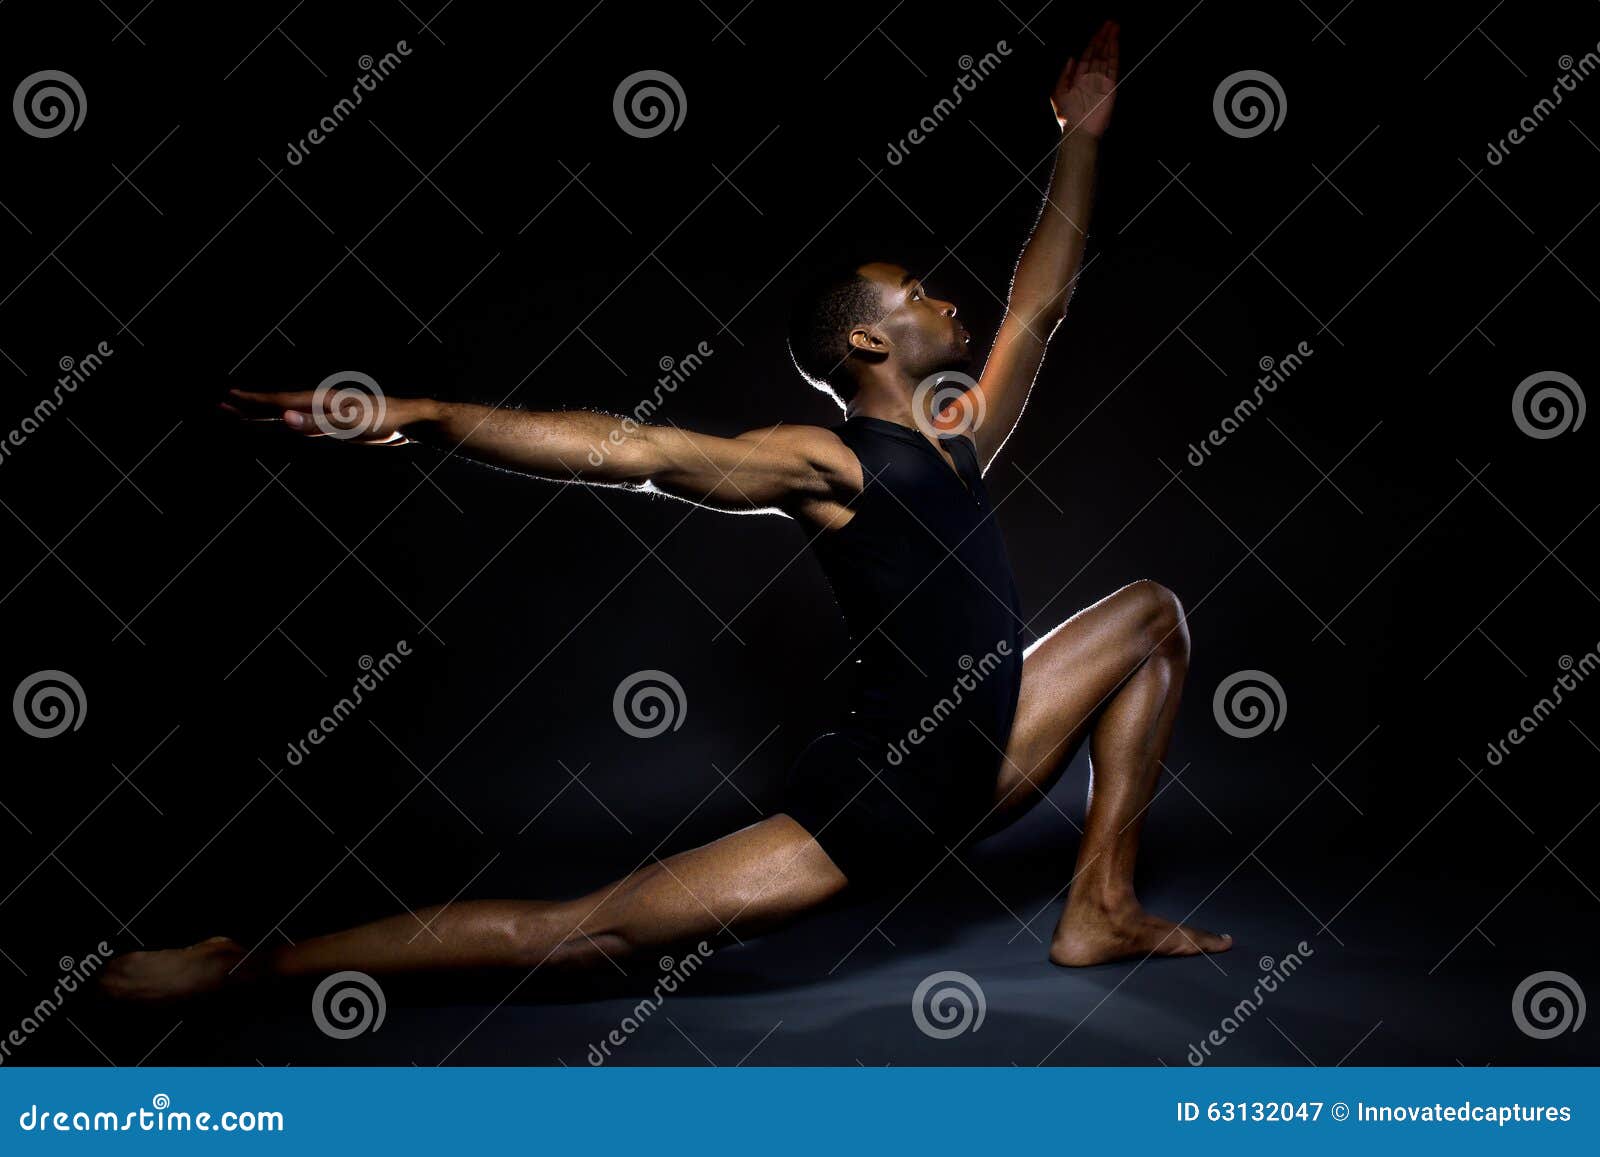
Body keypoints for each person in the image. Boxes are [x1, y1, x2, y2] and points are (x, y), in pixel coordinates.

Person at [103, 20, 1231, 1002]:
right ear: (868, 341)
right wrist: (433, 410)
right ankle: (241, 965)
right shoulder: (828, 461)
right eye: (918, 292)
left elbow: (1040, 303)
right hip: (879, 807)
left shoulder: (959, 435)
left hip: (984, 762)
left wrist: (1077, 140)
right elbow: (630, 449)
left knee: (1149, 613)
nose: (949, 297)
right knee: (576, 935)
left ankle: (1099, 903)